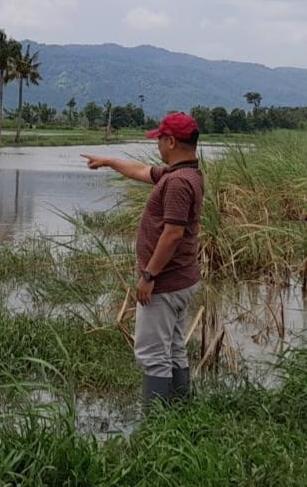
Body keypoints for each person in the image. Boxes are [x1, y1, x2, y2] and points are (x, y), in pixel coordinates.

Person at [82, 112, 204, 409]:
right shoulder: (186, 174)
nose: (158, 145)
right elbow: (140, 171)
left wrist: (148, 276)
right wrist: (109, 161)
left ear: (171, 141)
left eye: (160, 139)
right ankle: (179, 410)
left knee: (152, 355)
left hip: (165, 282)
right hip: (183, 279)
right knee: (174, 348)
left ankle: (154, 424)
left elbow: (172, 234)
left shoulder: (177, 183)